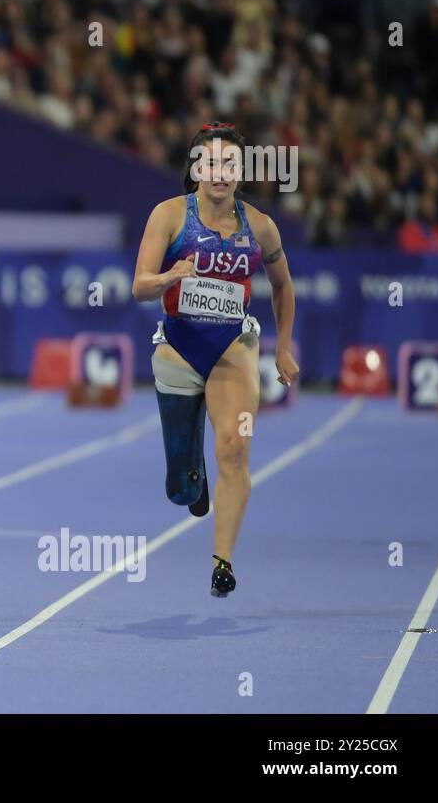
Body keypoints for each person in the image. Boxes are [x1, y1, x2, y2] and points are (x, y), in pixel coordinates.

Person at [132, 122, 298, 596]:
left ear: (240, 171)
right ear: (196, 168)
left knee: (234, 447)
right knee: (180, 490)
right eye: (210, 163)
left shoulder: (259, 226)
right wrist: (170, 277)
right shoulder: (168, 216)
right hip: (179, 347)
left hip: (233, 346)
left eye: (229, 164)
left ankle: (222, 562)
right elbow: (139, 286)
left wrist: (282, 346)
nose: (219, 173)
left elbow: (284, 285)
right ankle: (192, 479)